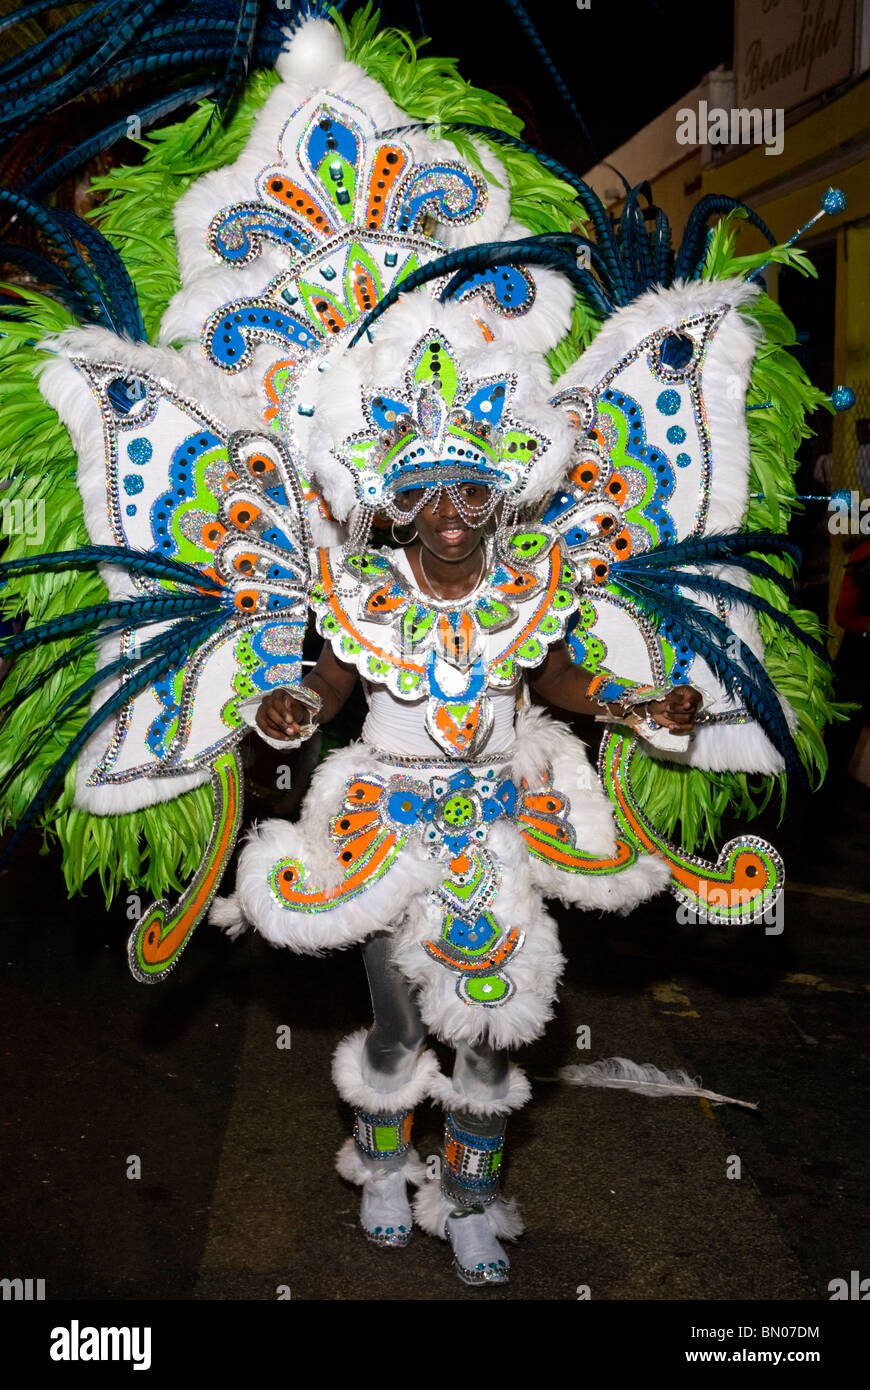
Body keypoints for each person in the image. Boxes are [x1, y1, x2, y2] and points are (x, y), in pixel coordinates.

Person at [247, 477, 700, 1285]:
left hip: (494, 837)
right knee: (398, 1027)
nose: (449, 517)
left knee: (490, 1034)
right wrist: (296, 705)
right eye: (427, 496)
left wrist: (637, 702)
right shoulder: (365, 586)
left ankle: (466, 1199)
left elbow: (557, 679)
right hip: (386, 828)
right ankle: (385, 1170)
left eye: (470, 495)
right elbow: (333, 682)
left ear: (501, 497)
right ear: (399, 503)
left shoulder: (531, 580)